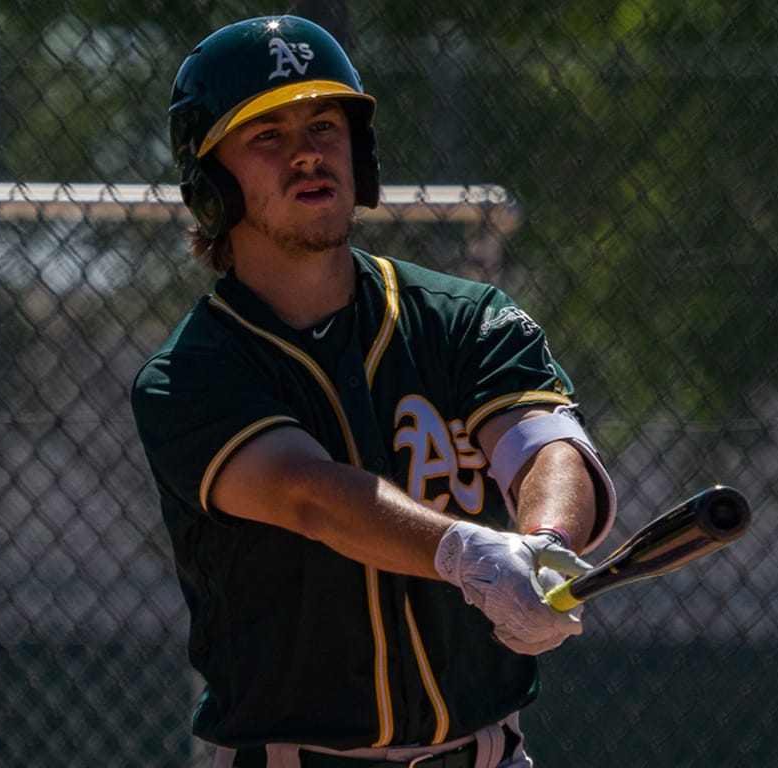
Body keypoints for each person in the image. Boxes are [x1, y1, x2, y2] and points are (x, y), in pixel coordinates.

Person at [132, 15, 617, 768]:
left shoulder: (465, 318)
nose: (307, 153)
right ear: (212, 180)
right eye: (266, 134)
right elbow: (311, 494)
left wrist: (544, 549)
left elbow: (549, 449)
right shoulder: (193, 373)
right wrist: (470, 553)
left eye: (325, 124)